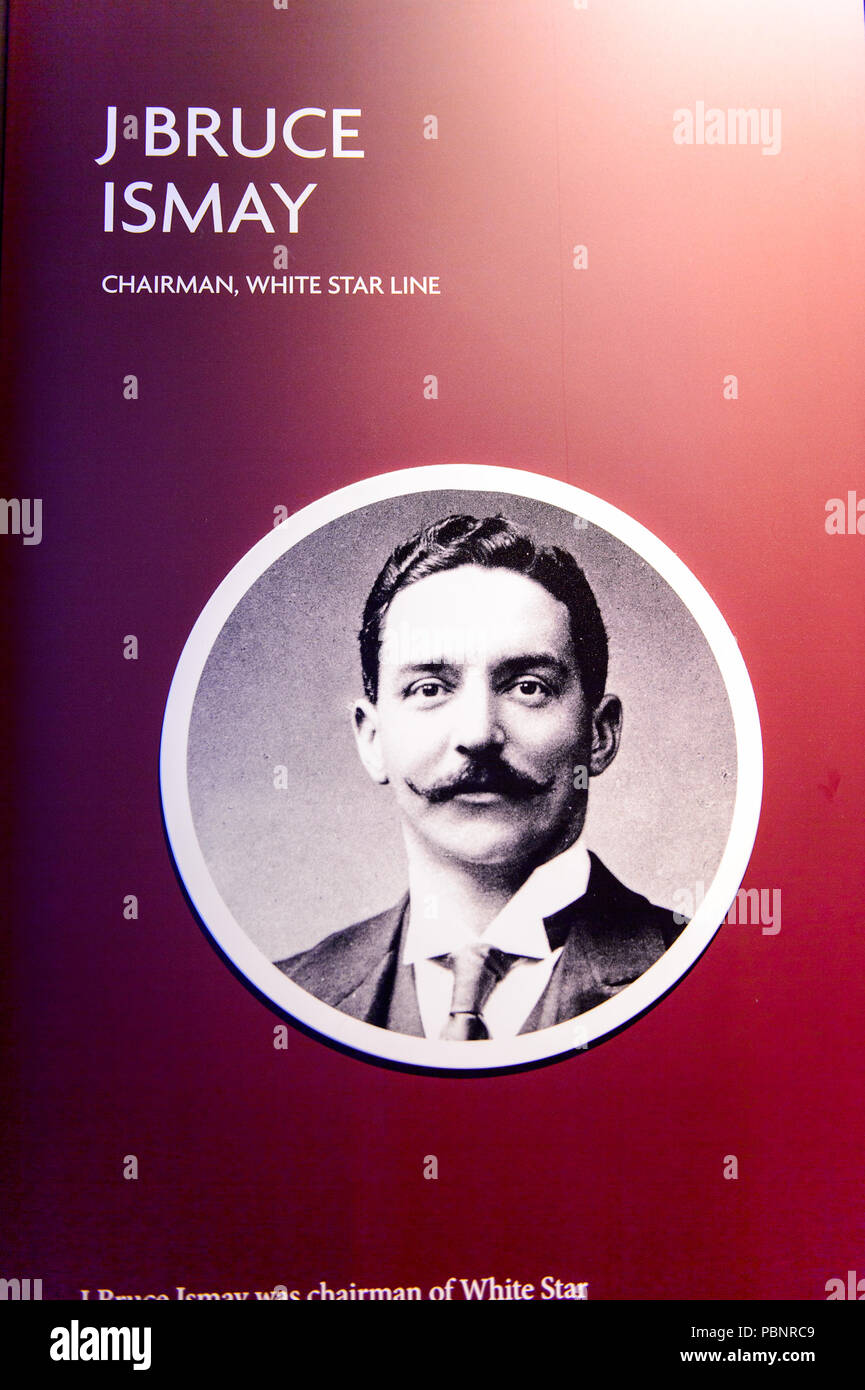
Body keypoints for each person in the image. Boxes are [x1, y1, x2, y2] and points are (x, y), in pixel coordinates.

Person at [275, 514, 684, 1039]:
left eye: (529, 687)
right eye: (429, 688)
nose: (479, 733)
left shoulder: (709, 973)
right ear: (372, 739)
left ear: (599, 735)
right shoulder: (291, 993)